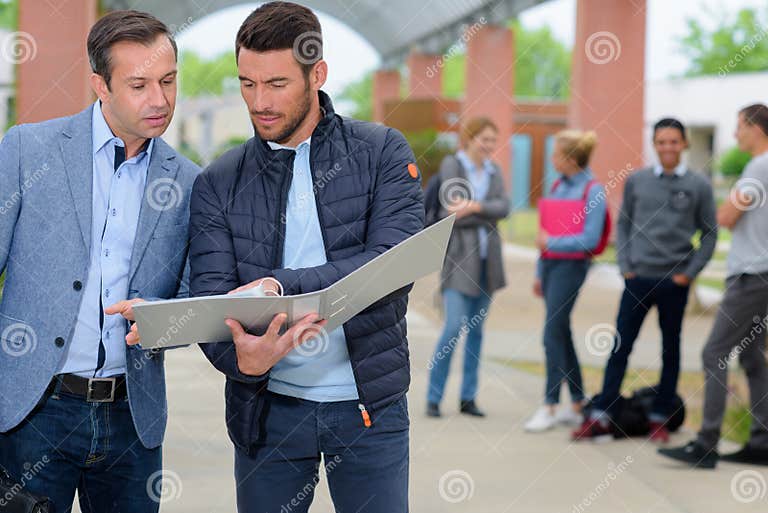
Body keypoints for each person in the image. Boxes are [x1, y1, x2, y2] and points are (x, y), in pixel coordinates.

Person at [187, 3, 423, 512]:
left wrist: (279, 286)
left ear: (317, 74)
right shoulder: (218, 181)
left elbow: (392, 267)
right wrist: (242, 362)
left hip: (367, 409)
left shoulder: (381, 152)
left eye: (276, 83)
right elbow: (211, 300)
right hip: (266, 412)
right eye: (247, 84)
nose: (259, 101)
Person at [0, 10, 199, 511]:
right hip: (33, 409)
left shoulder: (190, 182)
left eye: (168, 81)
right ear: (100, 86)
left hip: (133, 419)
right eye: (138, 85)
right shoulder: (27, 150)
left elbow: (195, 296)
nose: (159, 99)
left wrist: (160, 316)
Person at [573, 118, 717, 443]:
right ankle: (603, 415)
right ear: (654, 144)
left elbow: (710, 234)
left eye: (674, 142)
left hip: (674, 282)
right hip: (637, 278)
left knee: (671, 350)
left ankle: (659, 418)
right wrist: (625, 265)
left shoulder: (698, 185)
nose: (668, 147)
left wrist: (688, 274)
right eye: (662, 141)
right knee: (620, 346)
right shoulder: (637, 181)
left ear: (684, 144)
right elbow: (623, 225)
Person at [659, 105, 768, 467]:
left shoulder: (758, 167)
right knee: (752, 357)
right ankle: (762, 440)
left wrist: (723, 206)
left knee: (714, 353)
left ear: (755, 128)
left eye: (739, 127)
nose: (736, 135)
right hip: (762, 275)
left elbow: (726, 216)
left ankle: (706, 442)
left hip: (751, 275)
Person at [523, 130, 607, 432]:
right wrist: (538, 272)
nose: (551, 159)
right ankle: (577, 402)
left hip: (571, 268)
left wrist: (553, 242)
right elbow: (543, 233)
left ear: (571, 159)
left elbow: (590, 239)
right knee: (561, 331)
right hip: (549, 267)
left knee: (551, 334)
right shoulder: (558, 185)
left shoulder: (593, 190)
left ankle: (549, 405)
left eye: (556, 154)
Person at [425, 117, 509, 418]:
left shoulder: (493, 170)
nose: (488, 146)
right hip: (459, 259)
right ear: (470, 138)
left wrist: (473, 207)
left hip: (489, 262)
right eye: (483, 139)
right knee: (451, 329)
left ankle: (468, 397)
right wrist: (486, 210)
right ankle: (434, 397)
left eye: (492, 140)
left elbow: (505, 207)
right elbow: (452, 211)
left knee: (476, 333)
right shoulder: (453, 165)